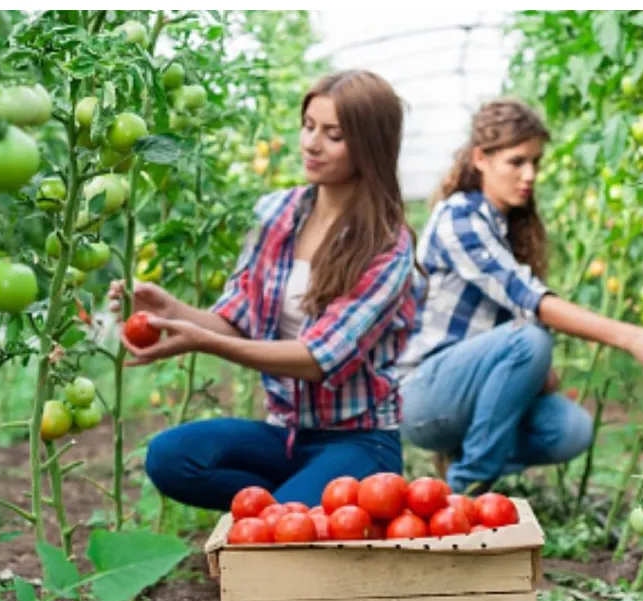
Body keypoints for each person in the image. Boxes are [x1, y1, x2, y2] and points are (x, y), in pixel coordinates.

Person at [109, 70, 415, 511]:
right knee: (171, 457)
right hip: (285, 435)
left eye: (334, 135)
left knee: (272, 535)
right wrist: (171, 311)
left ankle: (299, 511)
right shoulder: (274, 214)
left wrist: (202, 342)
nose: (311, 143)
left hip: (360, 441)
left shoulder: (387, 243)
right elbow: (237, 323)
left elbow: (316, 360)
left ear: (370, 144)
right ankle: (299, 507)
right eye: (308, 126)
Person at [398, 98, 643, 495]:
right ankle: (464, 490)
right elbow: (529, 300)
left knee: (570, 429)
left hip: (467, 390)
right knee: (530, 340)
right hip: (422, 395)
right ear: (480, 158)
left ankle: (462, 462)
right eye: (516, 162)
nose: (529, 175)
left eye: (535, 162)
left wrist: (528, 372)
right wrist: (631, 336)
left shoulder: (505, 228)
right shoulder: (459, 217)